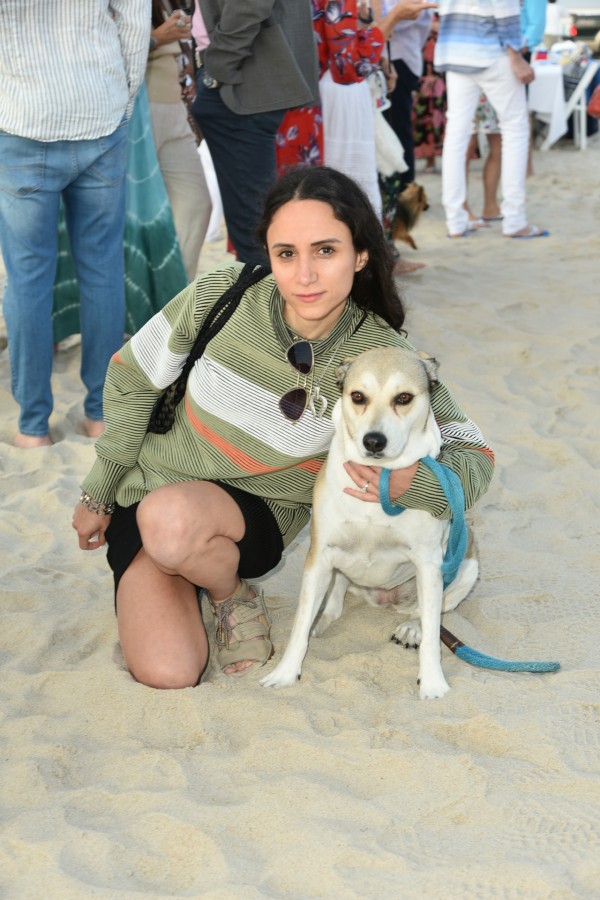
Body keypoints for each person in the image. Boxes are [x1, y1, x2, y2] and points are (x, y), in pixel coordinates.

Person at [72, 164, 495, 690]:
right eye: (286, 254)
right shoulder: (224, 296)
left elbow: (472, 451)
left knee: (173, 523)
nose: (305, 275)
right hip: (156, 493)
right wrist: (100, 491)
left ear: (361, 254)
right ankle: (195, 572)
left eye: (326, 250)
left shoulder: (378, 357)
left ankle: (229, 593)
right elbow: (132, 376)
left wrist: (423, 483)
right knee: (169, 669)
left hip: (258, 515)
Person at [0, 1, 150, 448]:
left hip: (23, 115)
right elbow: (135, 21)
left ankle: (33, 425)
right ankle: (101, 414)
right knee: (102, 269)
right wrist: (121, 99)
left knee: (28, 279)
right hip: (99, 110)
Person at [190, 0, 320, 266]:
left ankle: (268, 304)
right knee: (254, 222)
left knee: (253, 229)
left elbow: (249, 4)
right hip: (244, 76)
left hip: (242, 79)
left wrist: (218, 66)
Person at [434, 0, 548, 239]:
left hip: (455, 52)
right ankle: (515, 219)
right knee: (515, 130)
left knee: (456, 135)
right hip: (492, 54)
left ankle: (456, 221)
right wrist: (516, 56)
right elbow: (505, 13)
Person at [148, 2, 212, 281]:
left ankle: (173, 299)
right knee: (134, 218)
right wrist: (156, 38)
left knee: (197, 203)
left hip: (174, 106)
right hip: (138, 110)